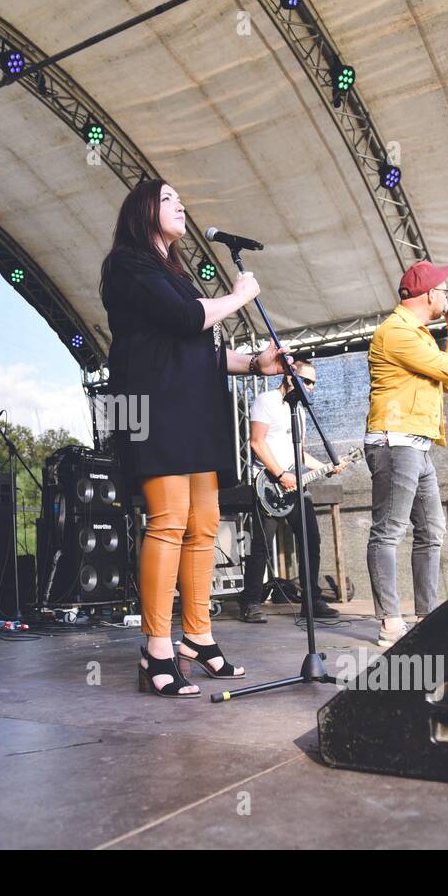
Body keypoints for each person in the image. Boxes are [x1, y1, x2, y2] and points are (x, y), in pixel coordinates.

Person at [100, 178, 288, 697]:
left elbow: (196, 345)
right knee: (168, 523)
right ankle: (156, 648)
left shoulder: (175, 274)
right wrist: (238, 295)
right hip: (155, 409)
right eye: (168, 199)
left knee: (204, 526)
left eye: (181, 199)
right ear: (142, 211)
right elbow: (188, 319)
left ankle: (198, 638)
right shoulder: (127, 264)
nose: (180, 205)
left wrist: (254, 363)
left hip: (195, 411)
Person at [364, 260, 448, 647]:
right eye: (445, 291)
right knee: (388, 532)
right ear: (429, 294)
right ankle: (391, 623)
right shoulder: (395, 333)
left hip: (417, 444)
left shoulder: (419, 334)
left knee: (431, 531)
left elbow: (445, 376)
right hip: (395, 441)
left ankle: (426, 616)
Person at [239, 358, 343, 623]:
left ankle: (311, 600)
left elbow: (300, 453)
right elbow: (256, 442)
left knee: (311, 541)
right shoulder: (266, 401)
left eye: (313, 383)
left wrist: (327, 466)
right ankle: (250, 602)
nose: (310, 387)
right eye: (306, 381)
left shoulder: (299, 412)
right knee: (262, 544)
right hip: (268, 484)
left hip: (294, 484)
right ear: (289, 376)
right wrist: (281, 474)